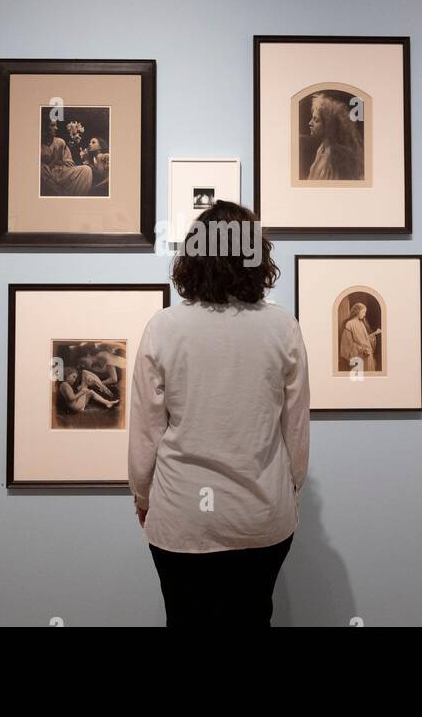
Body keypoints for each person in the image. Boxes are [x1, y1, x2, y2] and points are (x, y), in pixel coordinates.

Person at [129, 200, 309, 627]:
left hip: (181, 517)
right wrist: (291, 491)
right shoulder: (282, 327)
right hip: (260, 515)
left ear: (194, 255)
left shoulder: (165, 327)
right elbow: (296, 431)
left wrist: (142, 496)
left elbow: (145, 434)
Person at [306, 92, 364, 181]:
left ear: (328, 126)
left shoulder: (334, 158)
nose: (310, 123)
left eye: (316, 120)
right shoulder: (322, 149)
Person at [338, 301, 379, 372]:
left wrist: (374, 334)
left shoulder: (361, 323)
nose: (364, 314)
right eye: (363, 312)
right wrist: (362, 350)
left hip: (368, 356)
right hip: (359, 357)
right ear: (357, 311)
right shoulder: (349, 324)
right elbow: (348, 344)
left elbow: (365, 340)